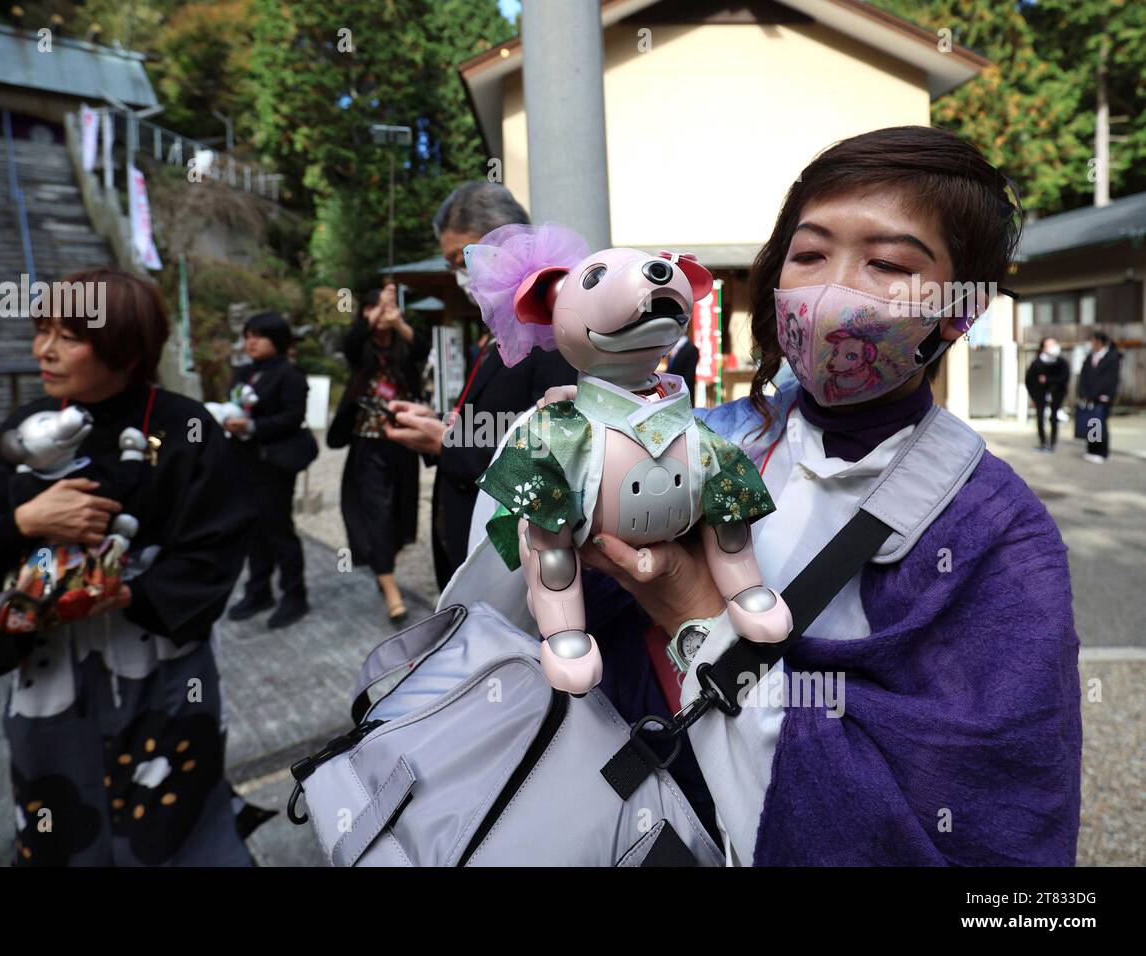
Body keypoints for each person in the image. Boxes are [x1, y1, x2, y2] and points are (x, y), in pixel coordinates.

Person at [565, 127, 1080, 865]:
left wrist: (692, 613)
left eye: (888, 264)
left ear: (960, 310)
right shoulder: (706, 441)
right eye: (809, 255)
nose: (832, 291)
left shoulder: (996, 536)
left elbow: (992, 818)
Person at [0, 268, 267, 866]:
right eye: (42, 330)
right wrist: (24, 523)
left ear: (126, 347)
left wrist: (125, 593)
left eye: (67, 336)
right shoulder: (24, 433)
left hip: (160, 675)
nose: (43, 350)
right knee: (59, 820)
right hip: (50, 679)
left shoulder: (185, 426)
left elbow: (218, 544)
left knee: (172, 820)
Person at [384, 182, 576, 590]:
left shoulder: (551, 333)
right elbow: (499, 419)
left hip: (512, 572)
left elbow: (557, 455)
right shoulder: (504, 329)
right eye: (452, 264)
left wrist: (446, 443)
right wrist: (438, 422)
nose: (459, 275)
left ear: (510, 245)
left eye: (464, 258)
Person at [332, 283, 429, 622]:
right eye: (374, 308)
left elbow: (422, 349)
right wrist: (375, 315)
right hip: (366, 442)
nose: (383, 313)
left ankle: (383, 564)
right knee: (377, 513)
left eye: (387, 307)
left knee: (401, 513)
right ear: (365, 314)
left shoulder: (403, 345)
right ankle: (391, 590)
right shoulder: (361, 348)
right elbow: (351, 341)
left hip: (402, 440)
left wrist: (399, 321)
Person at [225, 312, 310, 628]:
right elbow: (232, 403)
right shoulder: (244, 372)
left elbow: (292, 418)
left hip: (275, 464)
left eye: (258, 336)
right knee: (253, 530)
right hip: (244, 462)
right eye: (247, 336)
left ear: (277, 339)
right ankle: (258, 590)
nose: (251, 342)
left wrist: (252, 425)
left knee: (278, 529)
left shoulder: (289, 374)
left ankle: (295, 595)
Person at [1077, 330, 1119, 463]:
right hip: (1089, 397)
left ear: (1099, 342)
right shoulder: (1090, 357)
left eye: (1093, 341)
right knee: (1091, 423)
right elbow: (1083, 376)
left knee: (1101, 424)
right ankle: (1091, 450)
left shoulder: (1112, 357)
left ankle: (1102, 452)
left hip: (1103, 397)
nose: (1091, 343)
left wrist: (1095, 393)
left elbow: (1109, 380)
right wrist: (1082, 392)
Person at [1025, 337, 1069, 453]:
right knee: (1040, 418)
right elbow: (1029, 380)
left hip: (1057, 395)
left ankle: (1052, 443)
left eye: (1054, 344)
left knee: (1054, 418)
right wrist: (1033, 396)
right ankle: (1043, 442)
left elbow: (1064, 378)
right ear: (1043, 348)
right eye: (1050, 345)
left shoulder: (1061, 362)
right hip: (1040, 396)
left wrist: (1048, 380)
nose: (1054, 347)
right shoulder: (1037, 363)